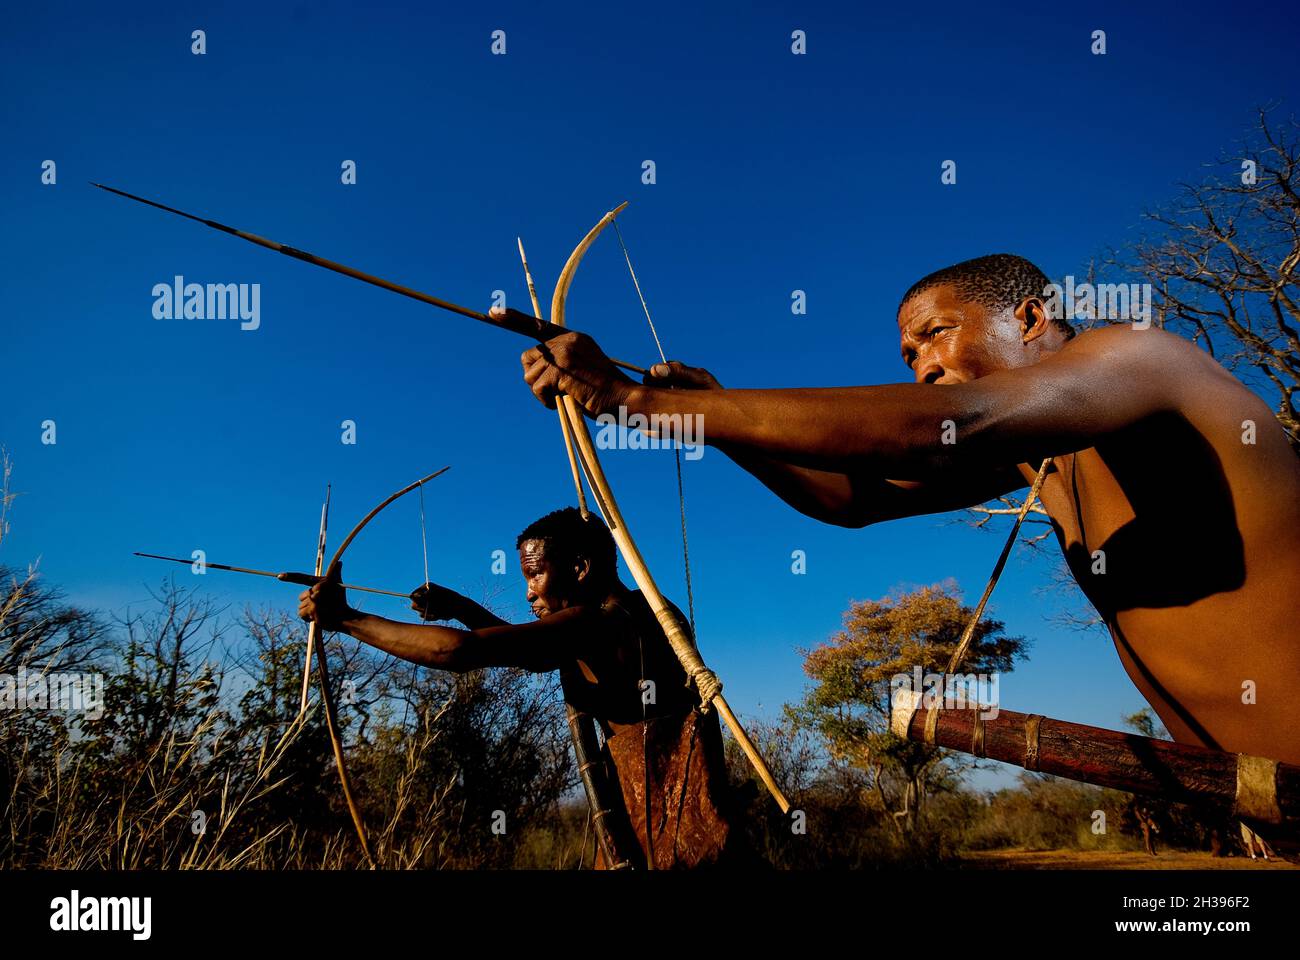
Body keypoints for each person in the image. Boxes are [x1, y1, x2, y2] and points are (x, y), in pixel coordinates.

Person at [516, 253, 1300, 769]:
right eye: (908, 357)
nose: (924, 368)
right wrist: (714, 420)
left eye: (935, 336)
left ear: (1027, 318)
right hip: (1259, 801)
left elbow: (944, 428)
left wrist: (634, 400)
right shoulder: (1033, 458)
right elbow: (853, 501)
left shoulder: (1142, 359)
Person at [299, 506, 740, 869]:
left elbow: (458, 653)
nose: (528, 593)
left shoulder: (598, 622)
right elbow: (536, 652)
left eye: (535, 575)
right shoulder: (648, 612)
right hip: (686, 835)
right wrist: (461, 607)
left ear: (580, 568)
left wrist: (346, 620)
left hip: (671, 844)